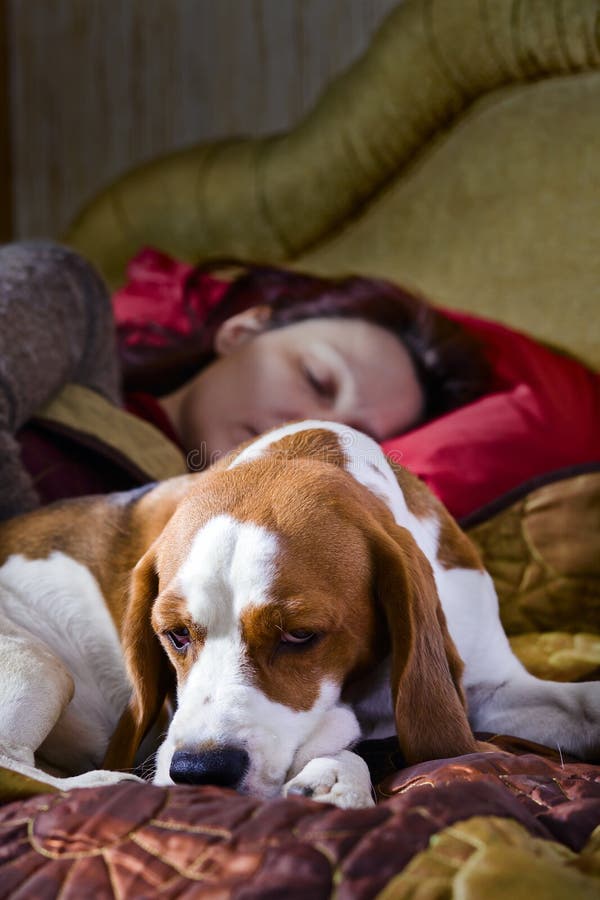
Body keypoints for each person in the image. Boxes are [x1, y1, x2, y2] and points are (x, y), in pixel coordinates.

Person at [1, 241, 598, 523]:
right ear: (241, 330)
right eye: (317, 380)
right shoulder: (73, 304)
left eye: (352, 435)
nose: (310, 430)